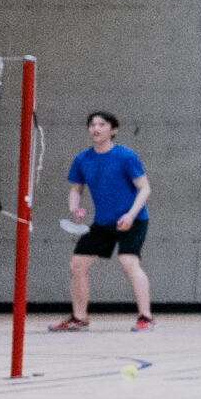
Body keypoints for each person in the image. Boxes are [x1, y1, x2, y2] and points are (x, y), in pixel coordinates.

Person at [53, 111, 153, 332]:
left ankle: (145, 316)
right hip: (103, 222)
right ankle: (79, 318)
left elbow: (145, 188)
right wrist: (74, 205)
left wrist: (130, 215)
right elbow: (76, 189)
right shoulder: (82, 159)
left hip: (133, 219)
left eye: (102, 124)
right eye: (92, 125)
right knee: (77, 264)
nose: (96, 129)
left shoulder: (126, 156)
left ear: (113, 130)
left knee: (129, 261)